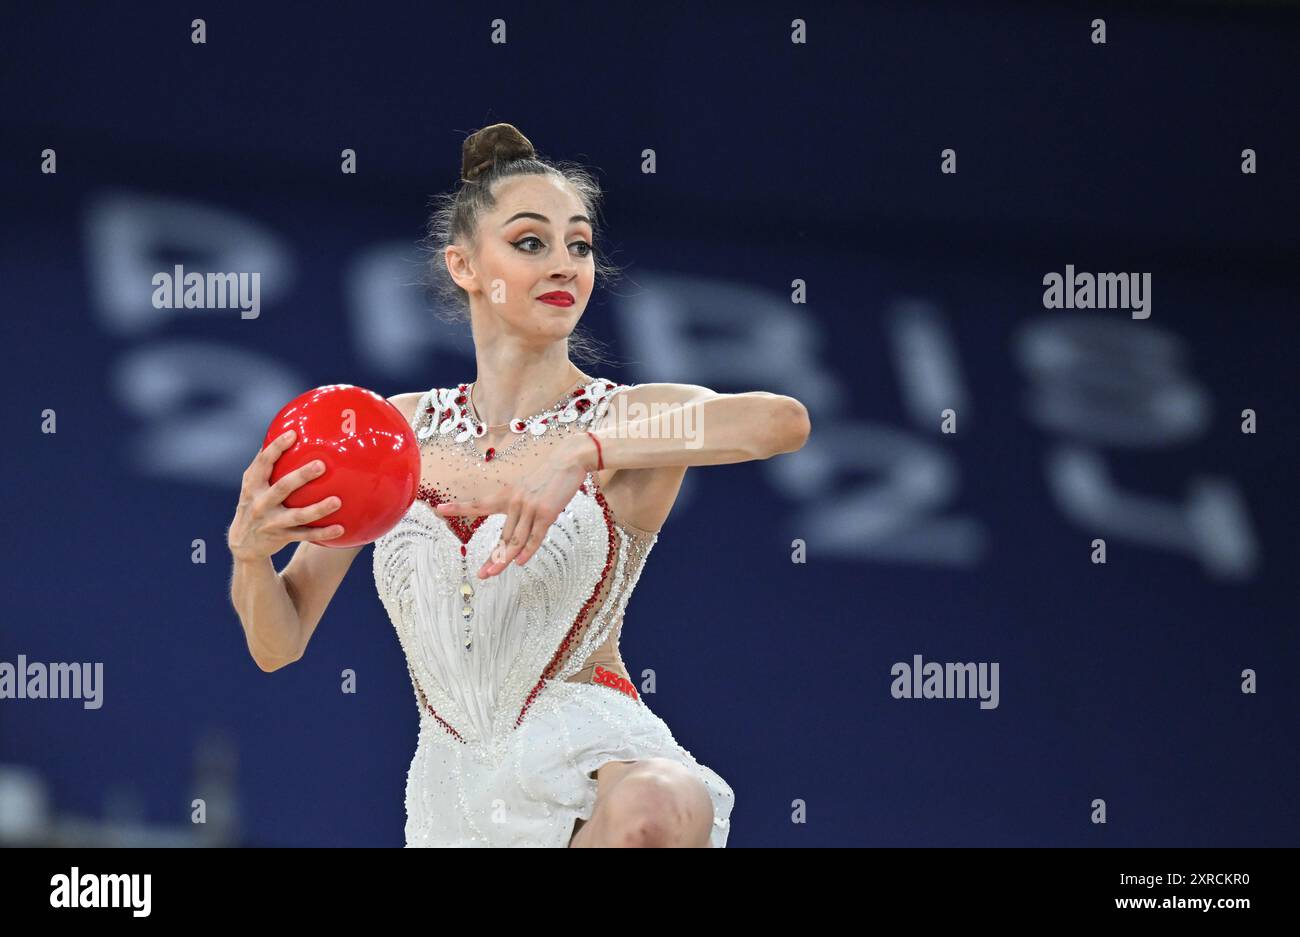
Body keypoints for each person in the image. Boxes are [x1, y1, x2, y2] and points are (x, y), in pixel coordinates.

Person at [229, 123, 811, 847]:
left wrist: (581, 451)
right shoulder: (391, 433)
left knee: (663, 804)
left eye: (581, 245)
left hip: (581, 755)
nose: (565, 264)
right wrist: (250, 556)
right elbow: (278, 641)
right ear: (465, 265)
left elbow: (778, 423)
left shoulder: (620, 420)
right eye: (532, 242)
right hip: (451, 801)